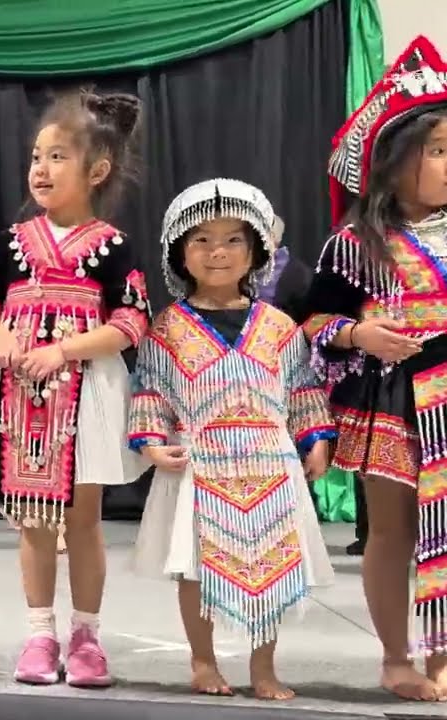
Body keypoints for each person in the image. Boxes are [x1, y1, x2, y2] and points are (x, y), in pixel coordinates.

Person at [0, 90, 149, 687]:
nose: (40, 169)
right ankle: (40, 632)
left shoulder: (113, 247)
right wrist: (3, 339)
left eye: (58, 157)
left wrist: (63, 349)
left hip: (85, 393)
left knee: (85, 517)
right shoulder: (12, 242)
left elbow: (130, 322)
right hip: (19, 395)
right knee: (33, 521)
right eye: (36, 157)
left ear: (97, 170)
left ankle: (87, 635)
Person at [130, 178, 335, 700]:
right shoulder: (167, 327)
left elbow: (302, 388)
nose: (217, 251)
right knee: (196, 569)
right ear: (180, 252)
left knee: (270, 565)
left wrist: (315, 436)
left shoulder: (281, 327)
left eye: (233, 240)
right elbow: (149, 391)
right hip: (199, 464)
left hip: (270, 465)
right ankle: (202, 661)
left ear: (256, 250)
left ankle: (263, 668)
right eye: (201, 239)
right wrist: (152, 442)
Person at [302, 35, 447, 701]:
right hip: (395, 397)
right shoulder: (356, 245)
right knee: (393, 530)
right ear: (391, 164)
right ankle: (396, 656)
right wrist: (360, 330)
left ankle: (442, 657)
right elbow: (310, 326)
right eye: (439, 152)